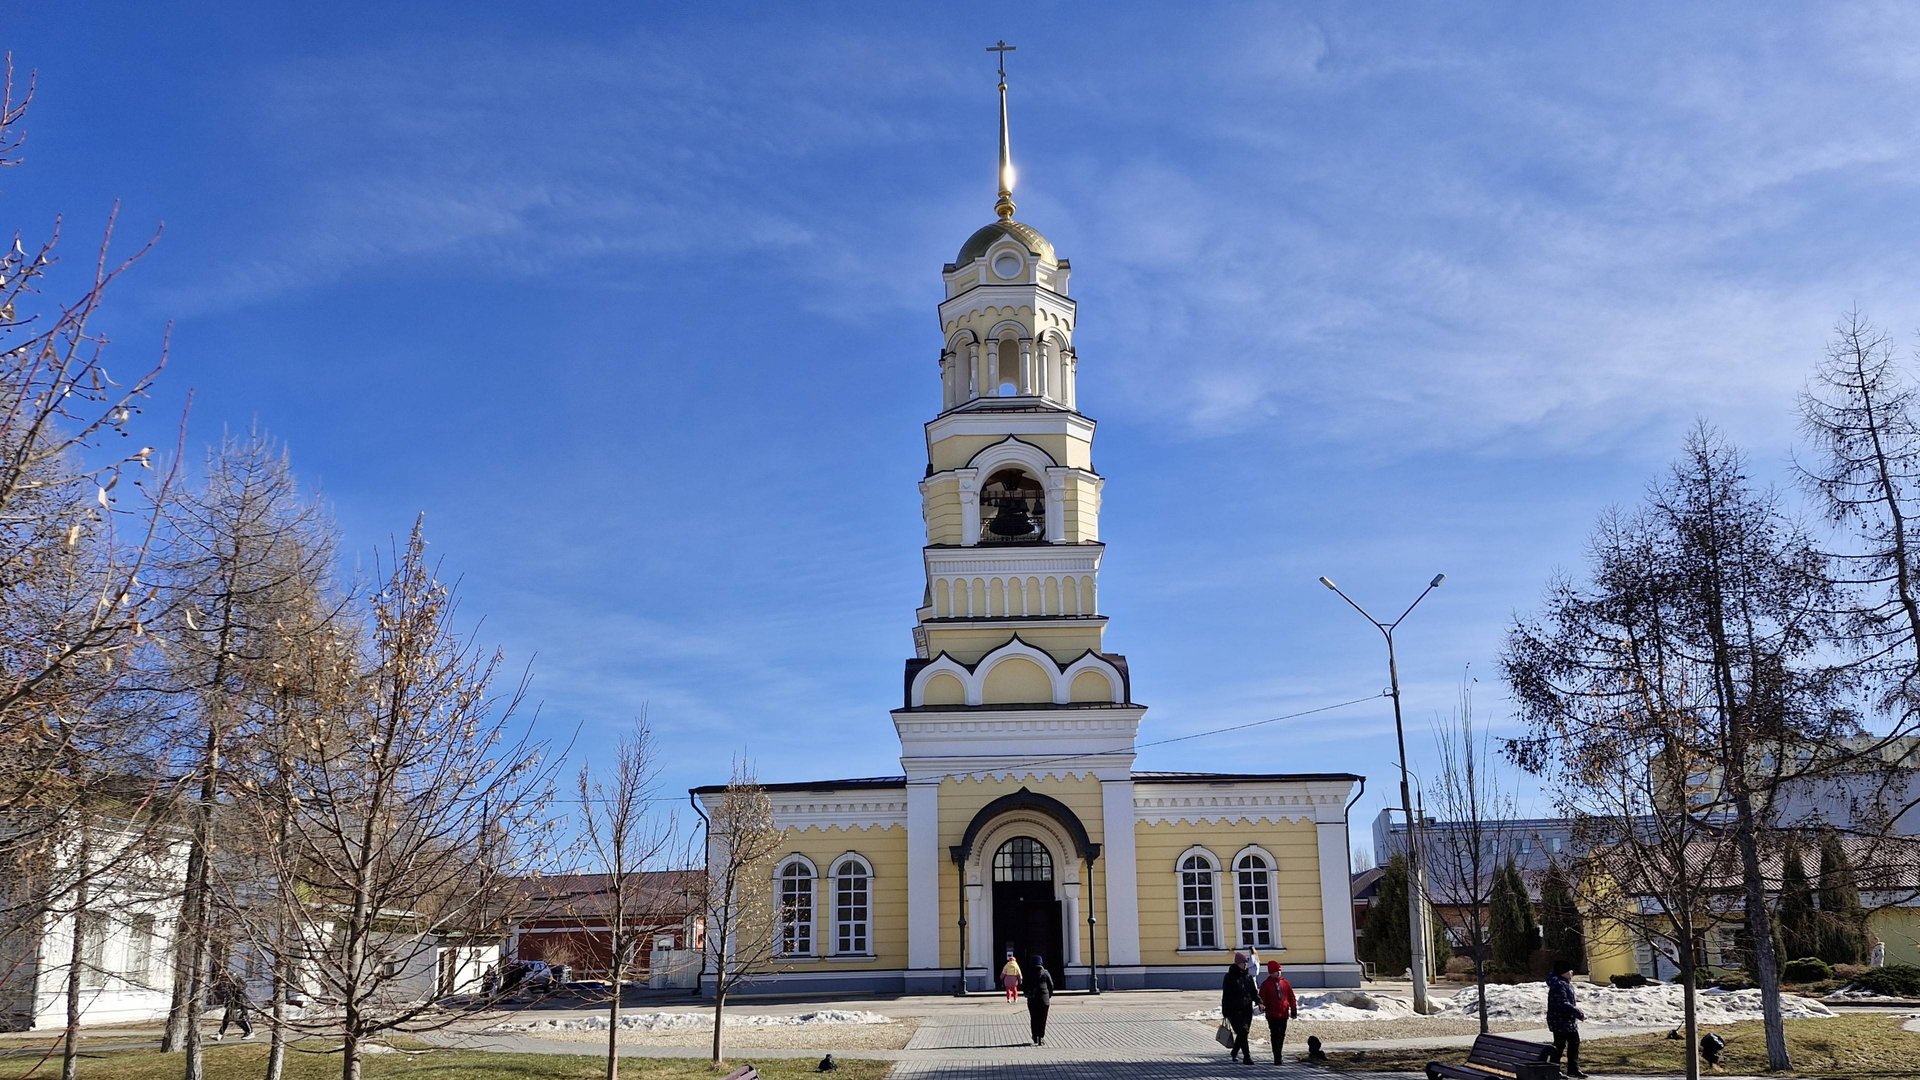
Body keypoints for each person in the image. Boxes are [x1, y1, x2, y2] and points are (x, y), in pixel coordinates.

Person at [1545, 963, 1587, 1079]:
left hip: (1564, 1020)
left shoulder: (1562, 983)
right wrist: (1577, 1012)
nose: (1572, 972)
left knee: (1568, 1043)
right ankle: (1558, 1069)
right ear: (1563, 972)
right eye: (1569, 970)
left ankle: (1570, 1069)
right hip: (1561, 1020)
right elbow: (1562, 1003)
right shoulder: (1559, 985)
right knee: (1562, 1044)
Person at [1221, 950, 1261, 1064]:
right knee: (1242, 1032)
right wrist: (1225, 1011)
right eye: (1243, 963)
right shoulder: (1229, 977)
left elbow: (1253, 992)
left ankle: (1234, 1052)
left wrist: (1259, 1002)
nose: (1245, 965)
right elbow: (1226, 995)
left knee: (1243, 1033)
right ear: (1237, 963)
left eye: (1246, 963)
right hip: (1234, 1010)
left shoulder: (1247, 976)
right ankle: (1247, 1057)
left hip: (1246, 1009)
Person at [1259, 959, 1298, 1063]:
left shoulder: (1285, 983)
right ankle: (1277, 1055)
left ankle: (1279, 1051)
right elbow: (1262, 998)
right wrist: (1262, 1006)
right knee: (1275, 1034)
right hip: (1272, 1014)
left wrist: (1293, 1009)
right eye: (1276, 971)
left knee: (1282, 1034)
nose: (1279, 972)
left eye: (1279, 970)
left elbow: (1291, 997)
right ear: (1271, 972)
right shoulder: (1266, 984)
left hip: (1284, 1013)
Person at [211, 971, 254, 1041]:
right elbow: (229, 994)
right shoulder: (229, 985)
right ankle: (220, 1034)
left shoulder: (238, 983)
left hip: (240, 1003)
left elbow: (241, 990)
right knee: (227, 1018)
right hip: (233, 1003)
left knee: (242, 1017)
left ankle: (250, 1031)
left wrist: (237, 1003)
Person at [1024, 954, 1054, 1046]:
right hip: (1044, 1000)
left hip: (1032, 999)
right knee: (1042, 1019)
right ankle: (1041, 1037)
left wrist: (1027, 994)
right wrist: (1048, 996)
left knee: (1034, 1018)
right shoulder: (1045, 972)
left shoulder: (1028, 973)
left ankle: (1035, 1036)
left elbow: (1024, 986)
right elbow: (1051, 985)